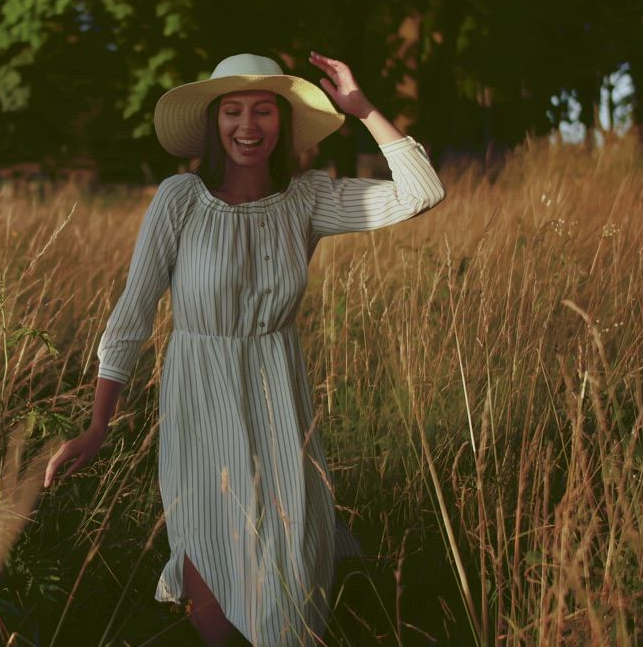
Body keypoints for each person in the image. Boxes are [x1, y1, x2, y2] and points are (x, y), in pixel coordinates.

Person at [44, 52, 446, 645]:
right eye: (232, 111)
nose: (247, 125)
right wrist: (98, 425)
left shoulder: (308, 198)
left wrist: (361, 108)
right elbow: (133, 313)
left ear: (282, 123)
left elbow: (423, 192)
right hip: (197, 392)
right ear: (214, 123)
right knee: (207, 537)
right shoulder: (179, 199)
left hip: (279, 390)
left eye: (263, 111)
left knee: (289, 547)